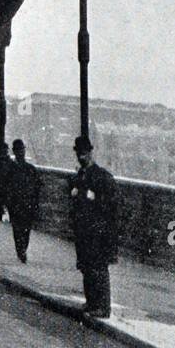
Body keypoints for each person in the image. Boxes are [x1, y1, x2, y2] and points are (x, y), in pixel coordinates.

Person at [67, 134, 119, 318]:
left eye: (84, 154)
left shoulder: (102, 177)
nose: (81, 157)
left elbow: (112, 205)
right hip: (83, 230)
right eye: (79, 154)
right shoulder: (79, 176)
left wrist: (95, 199)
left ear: (90, 153)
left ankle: (103, 307)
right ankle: (91, 302)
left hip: (97, 232)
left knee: (98, 268)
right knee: (86, 267)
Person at [5, 138, 41, 263]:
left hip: (26, 204)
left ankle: (22, 250)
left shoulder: (29, 169)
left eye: (22, 149)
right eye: (19, 150)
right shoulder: (13, 168)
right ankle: (21, 250)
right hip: (18, 204)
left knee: (24, 229)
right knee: (19, 229)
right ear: (15, 152)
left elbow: (37, 187)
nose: (22, 152)